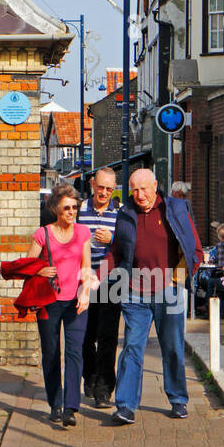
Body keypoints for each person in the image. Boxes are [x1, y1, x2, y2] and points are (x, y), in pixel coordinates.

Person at [110, 168, 199, 425]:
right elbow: (116, 251)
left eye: (144, 189)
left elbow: (194, 249)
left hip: (167, 292)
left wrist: (176, 279)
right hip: (134, 294)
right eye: (134, 190)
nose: (139, 195)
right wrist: (96, 276)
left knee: (171, 347)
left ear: (156, 186)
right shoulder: (126, 213)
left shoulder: (176, 209)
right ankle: (125, 406)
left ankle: (178, 399)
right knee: (132, 348)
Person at [26, 184, 94, 428]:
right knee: (52, 353)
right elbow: (28, 267)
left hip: (75, 301)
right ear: (56, 208)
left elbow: (86, 267)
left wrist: (86, 291)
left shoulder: (83, 232)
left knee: (75, 352)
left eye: (75, 207)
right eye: (67, 207)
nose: (72, 211)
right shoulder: (42, 234)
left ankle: (71, 407)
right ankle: (55, 404)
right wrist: (41, 269)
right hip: (49, 302)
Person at [79, 167, 121, 408]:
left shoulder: (120, 213)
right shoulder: (79, 210)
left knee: (107, 338)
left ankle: (104, 389)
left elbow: (127, 244)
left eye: (109, 189)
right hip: (83, 280)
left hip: (110, 282)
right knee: (84, 336)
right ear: (93, 184)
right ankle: (90, 376)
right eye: (101, 187)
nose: (104, 192)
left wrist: (112, 240)